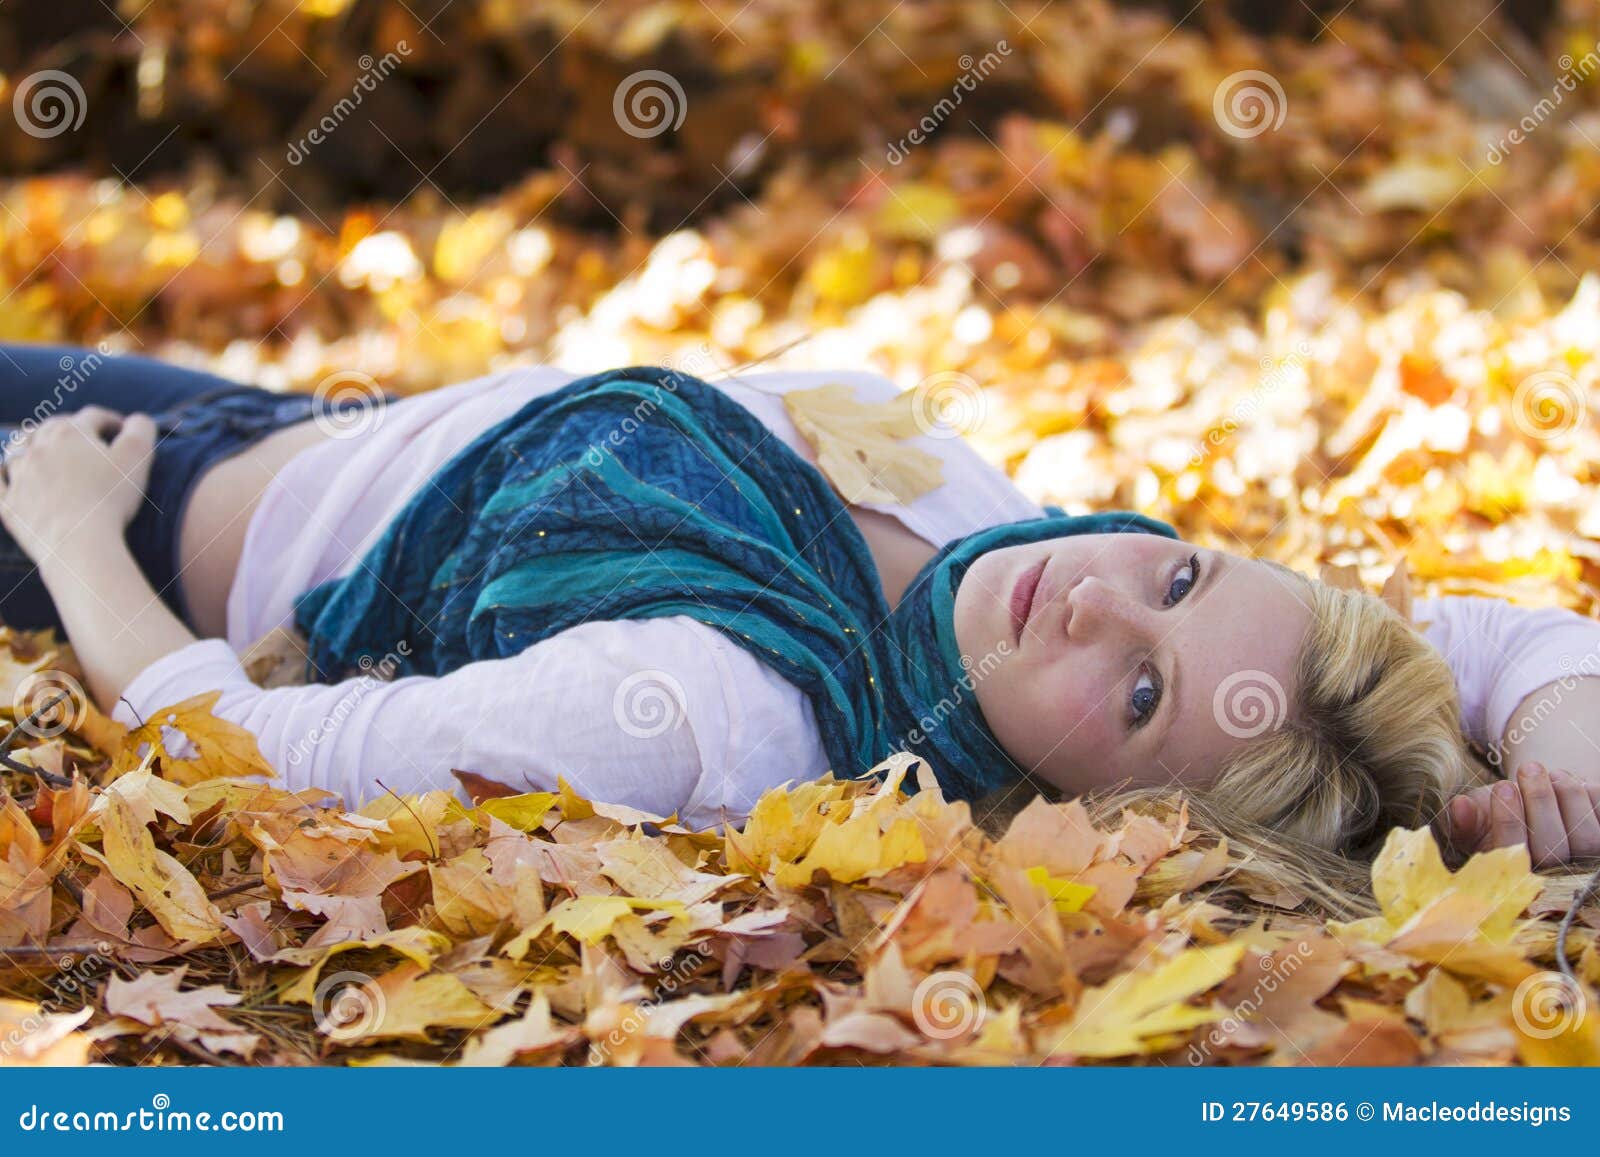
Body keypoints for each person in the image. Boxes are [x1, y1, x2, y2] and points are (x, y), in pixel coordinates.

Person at [0, 344, 1597, 879]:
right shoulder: (1013, 555)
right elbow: (1505, 636)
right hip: (268, 415)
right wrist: (1540, 784)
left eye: (1135, 698)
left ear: (1096, 818)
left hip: (125, 515)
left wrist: (71, 536)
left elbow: (245, 736)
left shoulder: (703, 707)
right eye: (1179, 573)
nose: (1095, 601)